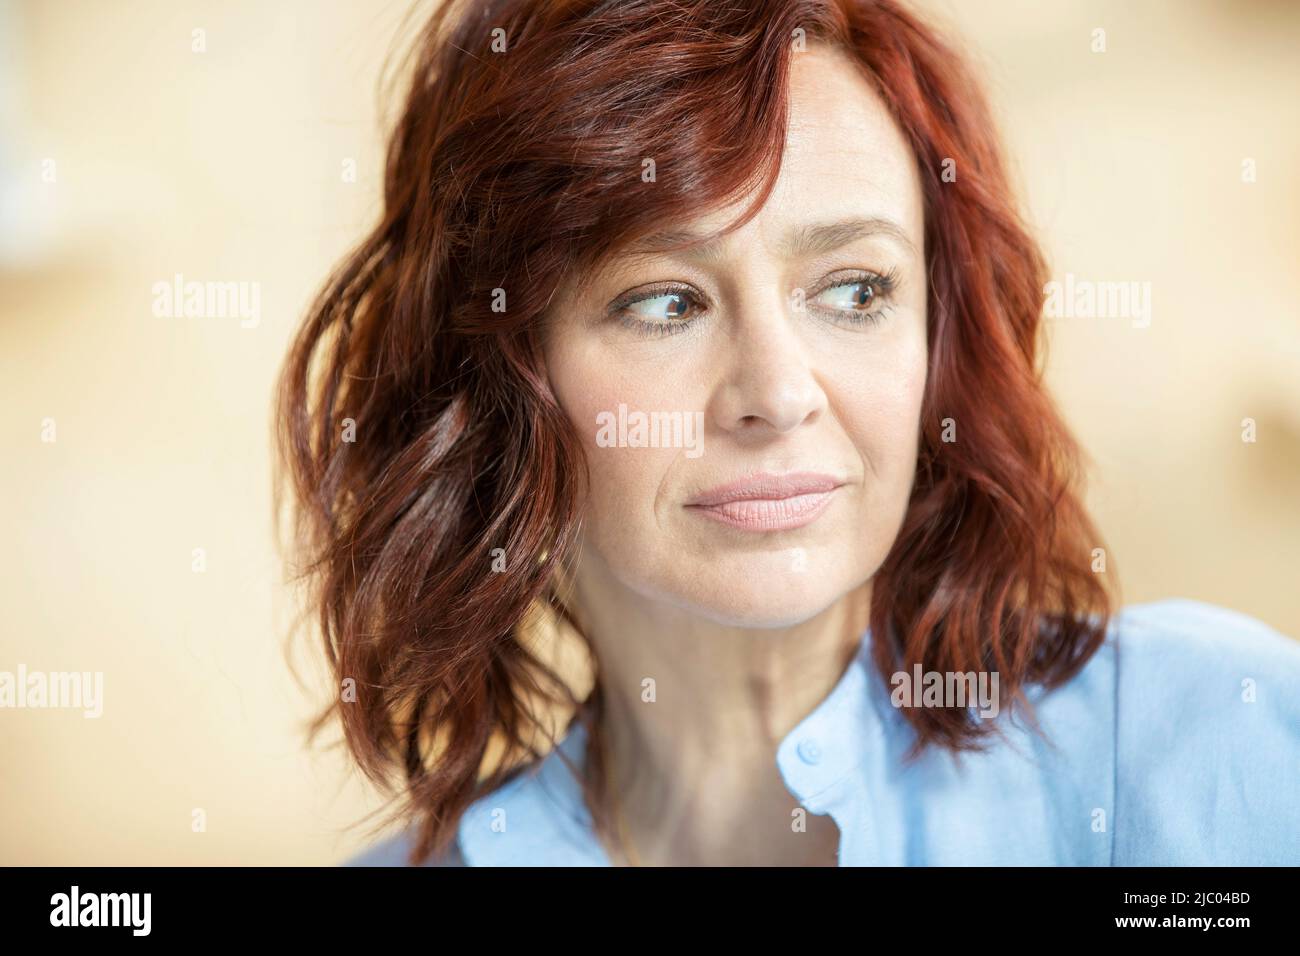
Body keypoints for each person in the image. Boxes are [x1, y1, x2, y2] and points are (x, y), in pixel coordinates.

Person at [276, 0, 1300, 867]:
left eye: (855, 288)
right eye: (663, 301)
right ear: (501, 372)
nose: (775, 391)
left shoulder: (1207, 734)